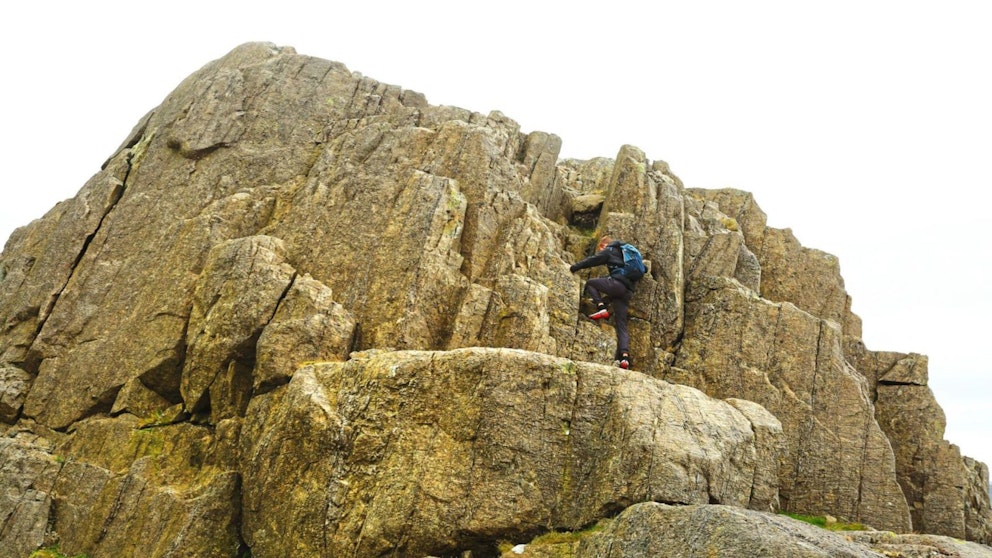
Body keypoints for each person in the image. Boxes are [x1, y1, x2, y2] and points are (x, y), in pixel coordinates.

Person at [569, 235, 640, 369]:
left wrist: (574, 267)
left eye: (600, 249)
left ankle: (601, 307)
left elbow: (592, 261)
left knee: (590, 283)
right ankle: (624, 357)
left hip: (616, 285)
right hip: (627, 293)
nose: (600, 251)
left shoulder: (609, 251)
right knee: (621, 325)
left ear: (603, 246)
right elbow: (644, 270)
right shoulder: (627, 255)